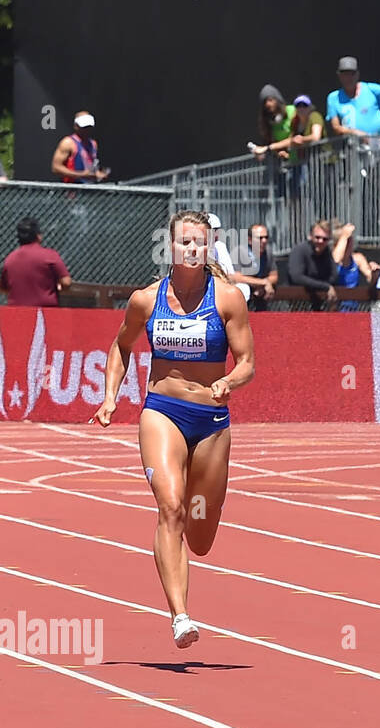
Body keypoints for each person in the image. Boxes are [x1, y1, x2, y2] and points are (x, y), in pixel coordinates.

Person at [91, 211, 255, 650]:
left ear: (208, 248)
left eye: (199, 243)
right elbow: (120, 345)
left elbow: (248, 362)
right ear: (170, 247)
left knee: (200, 536)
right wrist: (111, 396)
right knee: (170, 506)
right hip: (161, 411)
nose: (191, 249)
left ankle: (194, 543)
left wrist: (229, 381)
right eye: (183, 242)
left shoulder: (227, 300)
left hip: (212, 422)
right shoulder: (146, 300)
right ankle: (180, 615)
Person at [0, 218, 72, 306]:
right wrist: (58, 287)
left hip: (17, 313)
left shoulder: (10, 259)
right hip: (45, 312)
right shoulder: (49, 255)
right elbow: (66, 282)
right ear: (38, 236)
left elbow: (4, 287)